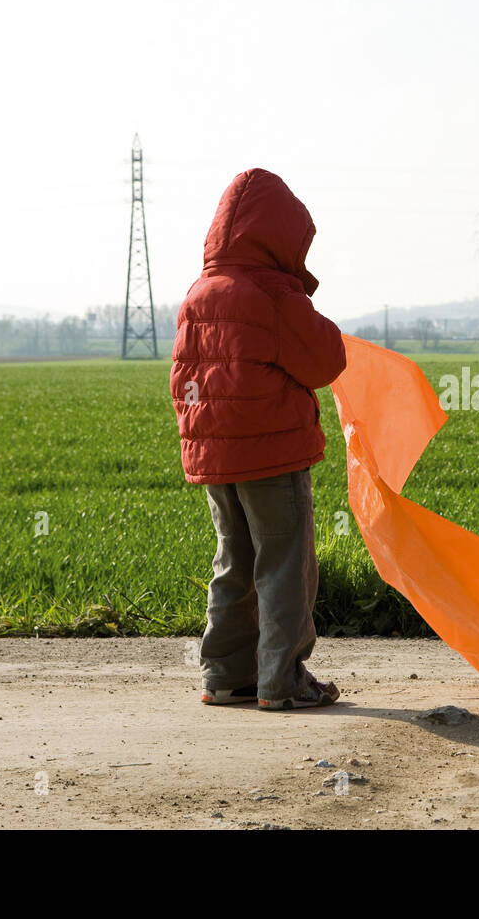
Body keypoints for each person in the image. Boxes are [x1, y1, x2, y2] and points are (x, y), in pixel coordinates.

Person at [170, 168, 346, 709]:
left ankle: (225, 676)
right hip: (273, 452)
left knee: (234, 562)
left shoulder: (198, 294)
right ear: (278, 236)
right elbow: (326, 359)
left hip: (214, 453)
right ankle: (283, 681)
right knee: (284, 566)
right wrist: (299, 295)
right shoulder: (270, 295)